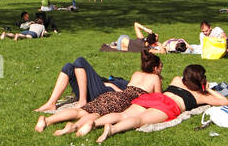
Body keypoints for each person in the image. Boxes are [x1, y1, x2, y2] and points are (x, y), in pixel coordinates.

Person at [86, 63, 228, 142]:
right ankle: (112, 130)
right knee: (139, 120)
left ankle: (94, 124)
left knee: (123, 115)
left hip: (154, 98)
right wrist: (208, 89)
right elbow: (225, 102)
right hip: (168, 106)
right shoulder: (201, 96)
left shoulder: (176, 80)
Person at [36, 52, 165, 133]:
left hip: (113, 95)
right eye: (161, 67)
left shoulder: (136, 74)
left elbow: (128, 90)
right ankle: (74, 127)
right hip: (122, 101)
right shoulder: (155, 78)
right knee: (96, 114)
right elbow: (157, 98)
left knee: (83, 110)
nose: (161, 69)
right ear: (155, 68)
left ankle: (47, 120)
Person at [35, 57, 131, 113]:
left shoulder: (128, 83)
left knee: (80, 61)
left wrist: (111, 85)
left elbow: (126, 95)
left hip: (105, 94)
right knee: (68, 67)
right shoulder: (115, 78)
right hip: (94, 90)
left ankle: (82, 101)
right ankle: (51, 103)